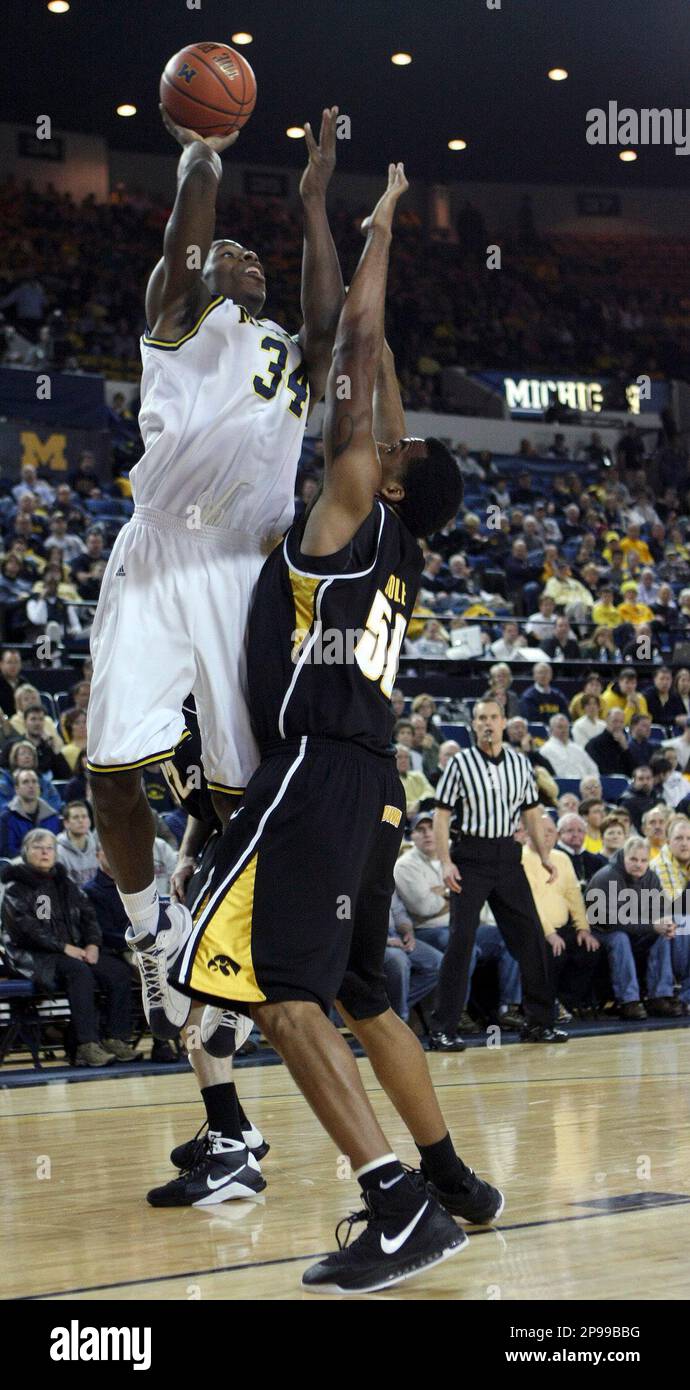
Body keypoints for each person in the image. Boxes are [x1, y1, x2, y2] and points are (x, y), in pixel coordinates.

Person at [151, 163, 497, 1294]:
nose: (380, 434)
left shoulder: (354, 500)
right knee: (358, 989)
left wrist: (381, 220)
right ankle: (447, 1180)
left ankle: (394, 1203)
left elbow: (360, 340)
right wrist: (311, 208)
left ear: (391, 480)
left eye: (393, 446)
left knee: (260, 981)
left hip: (311, 776)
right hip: (369, 780)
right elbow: (379, 373)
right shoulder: (395, 539)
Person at [85, 109, 344, 1172]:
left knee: (245, 814)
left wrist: (315, 205)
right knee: (108, 772)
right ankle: (150, 939)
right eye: (227, 247)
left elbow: (328, 320)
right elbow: (190, 221)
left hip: (248, 571)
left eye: (252, 253)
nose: (240, 253)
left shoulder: (287, 346)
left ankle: (225, 1076)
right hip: (162, 554)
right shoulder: (179, 313)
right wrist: (203, 145)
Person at [431, 697, 565, 1049]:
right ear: (473, 725)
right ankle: (443, 1028)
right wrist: (445, 861)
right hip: (470, 856)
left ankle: (539, 1023)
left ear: (503, 722)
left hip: (508, 855)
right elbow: (441, 816)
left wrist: (544, 853)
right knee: (461, 941)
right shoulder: (459, 763)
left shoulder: (521, 764)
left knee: (532, 939)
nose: (488, 723)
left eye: (493, 717)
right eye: (481, 718)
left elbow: (532, 813)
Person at [1, 828, 138, 1065]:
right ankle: (86, 1045)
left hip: (74, 952)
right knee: (79, 972)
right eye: (38, 848)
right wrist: (65, 948)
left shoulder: (65, 883)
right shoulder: (17, 888)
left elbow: (88, 916)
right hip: (34, 956)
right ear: (25, 852)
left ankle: (116, 1038)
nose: (45, 852)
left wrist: (93, 944)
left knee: (118, 972)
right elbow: (29, 931)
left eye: (49, 848)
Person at [585, 836, 680, 1018]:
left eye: (643, 860)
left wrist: (667, 923)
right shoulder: (607, 877)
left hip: (634, 930)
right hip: (600, 932)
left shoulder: (651, 877)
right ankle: (629, 1001)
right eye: (633, 859)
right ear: (623, 857)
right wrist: (652, 925)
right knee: (620, 937)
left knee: (662, 935)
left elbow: (660, 909)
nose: (639, 864)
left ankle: (660, 996)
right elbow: (611, 922)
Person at [521, 814, 600, 1015]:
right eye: (541, 831)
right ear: (530, 833)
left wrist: (583, 928)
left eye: (550, 832)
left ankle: (564, 1002)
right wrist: (548, 932)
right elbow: (531, 902)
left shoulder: (562, 858)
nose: (546, 836)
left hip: (564, 927)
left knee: (589, 949)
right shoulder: (522, 858)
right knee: (554, 953)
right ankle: (546, 1005)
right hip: (535, 928)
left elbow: (573, 895)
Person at [384, 892, 443, 1025]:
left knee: (438, 963)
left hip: (395, 933)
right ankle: (399, 1021)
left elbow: (399, 913)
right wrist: (384, 940)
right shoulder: (352, 879)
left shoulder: (385, 876)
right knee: (398, 960)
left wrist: (408, 932)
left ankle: (386, 1014)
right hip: (367, 939)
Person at [0, 769, 61, 857]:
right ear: (17, 789)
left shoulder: (53, 817)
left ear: (39, 786)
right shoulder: (6, 818)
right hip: (20, 867)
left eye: (34, 781)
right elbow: (7, 851)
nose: (31, 785)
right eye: (25, 782)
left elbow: (57, 847)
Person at [540, 714, 599, 781]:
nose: (564, 730)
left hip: (584, 786)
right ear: (551, 729)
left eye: (566, 727)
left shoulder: (577, 748)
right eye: (560, 727)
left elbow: (593, 769)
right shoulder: (546, 750)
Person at [556, 813, 605, 889]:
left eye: (580, 831)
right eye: (570, 830)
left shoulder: (596, 860)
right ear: (559, 834)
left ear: (585, 834)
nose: (575, 834)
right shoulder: (552, 857)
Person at [56, 800, 99, 887]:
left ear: (90, 821)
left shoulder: (98, 847)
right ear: (66, 823)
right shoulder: (58, 851)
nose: (81, 820)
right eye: (76, 817)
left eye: (84, 816)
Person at [586, 709, 635, 777]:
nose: (618, 725)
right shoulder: (594, 744)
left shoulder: (627, 743)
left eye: (621, 722)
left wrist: (625, 748)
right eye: (615, 721)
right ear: (606, 721)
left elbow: (634, 771)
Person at [619, 766, 657, 832]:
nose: (645, 782)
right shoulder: (627, 802)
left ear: (652, 780)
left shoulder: (657, 796)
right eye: (641, 779)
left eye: (648, 778)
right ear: (634, 781)